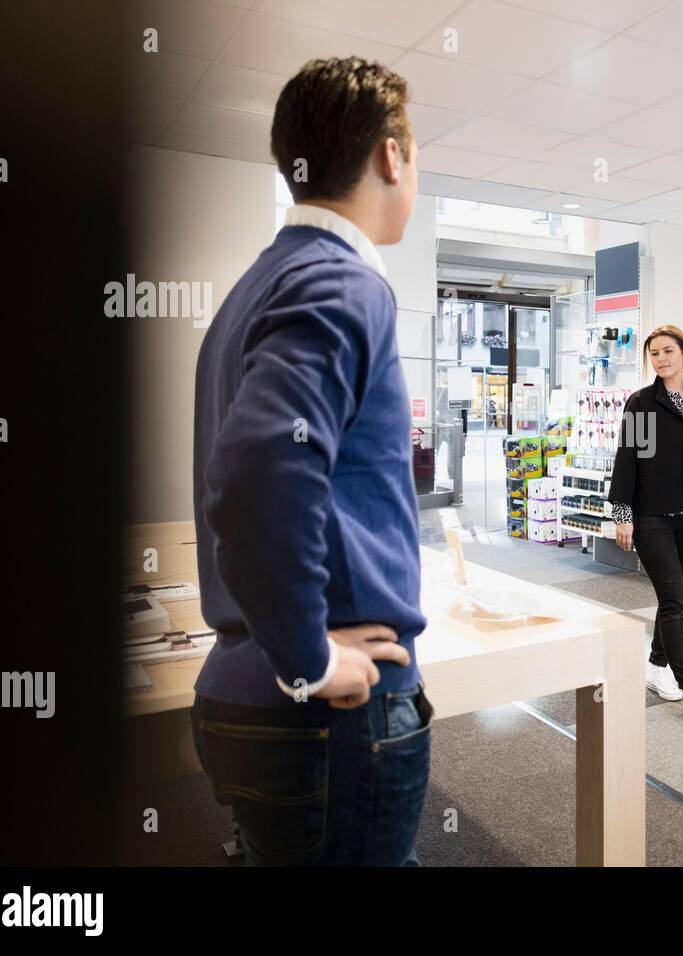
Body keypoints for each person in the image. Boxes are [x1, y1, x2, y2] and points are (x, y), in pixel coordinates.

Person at [190, 57, 430, 866]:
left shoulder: (256, 288)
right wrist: (309, 658)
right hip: (328, 715)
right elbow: (258, 472)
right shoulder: (342, 284)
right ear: (391, 155)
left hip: (249, 695)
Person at [608, 325, 683, 718]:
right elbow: (630, 459)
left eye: (668, 351)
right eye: (655, 354)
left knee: (673, 600)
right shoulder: (643, 403)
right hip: (652, 518)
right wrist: (623, 514)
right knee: (674, 602)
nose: (661, 359)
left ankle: (657, 666)